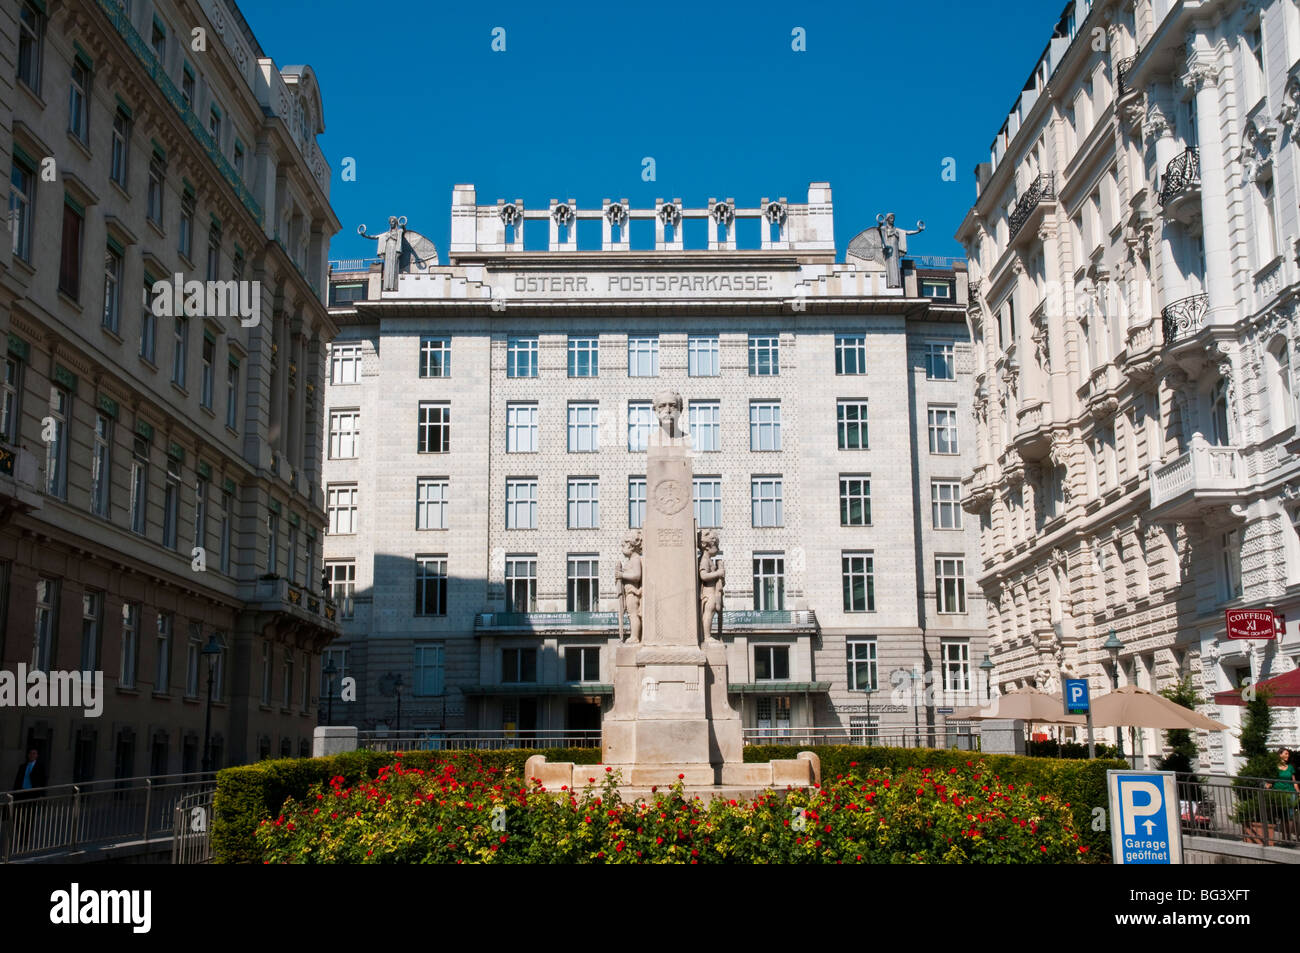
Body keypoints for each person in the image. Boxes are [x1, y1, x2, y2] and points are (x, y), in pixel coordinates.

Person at [615, 531, 643, 643]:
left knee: (633, 614)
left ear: (631, 545)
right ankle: (634, 635)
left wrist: (622, 575)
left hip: (633, 592)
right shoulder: (632, 559)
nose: (622, 547)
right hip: (628, 592)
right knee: (631, 614)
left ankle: (635, 637)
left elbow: (637, 575)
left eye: (623, 545)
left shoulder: (636, 558)